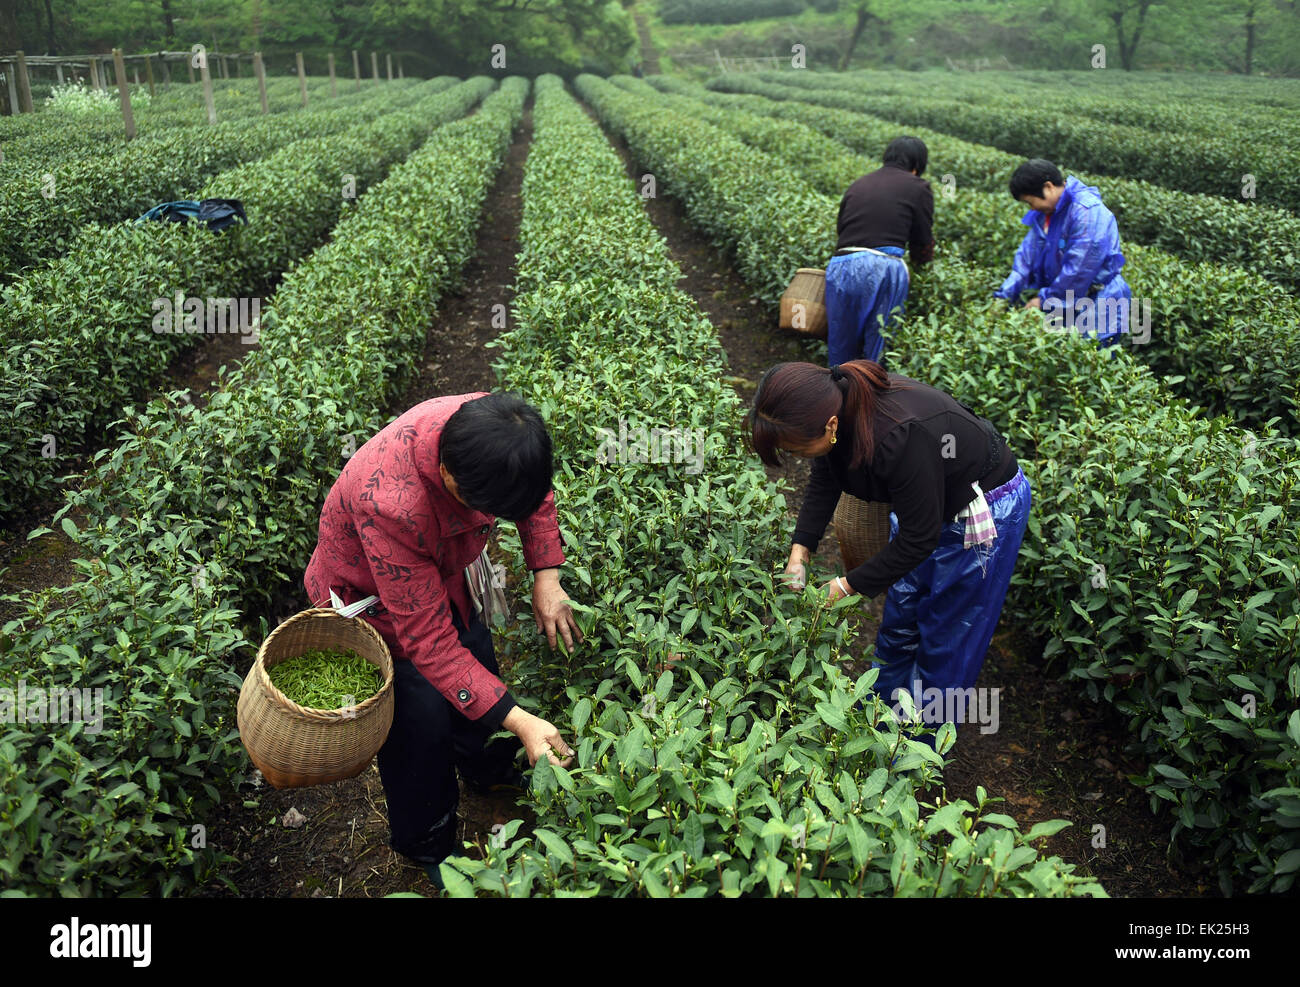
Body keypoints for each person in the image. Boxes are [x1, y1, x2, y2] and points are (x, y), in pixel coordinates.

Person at [304, 391, 583, 883]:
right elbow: (428, 643)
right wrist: (522, 720)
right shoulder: (392, 504)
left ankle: (489, 772)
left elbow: (532, 490)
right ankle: (429, 844)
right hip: (378, 600)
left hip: (445, 571)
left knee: (475, 655)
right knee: (420, 720)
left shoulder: (498, 426)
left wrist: (547, 574)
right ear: (452, 480)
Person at [747, 361, 1031, 740]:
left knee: (947, 635)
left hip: (980, 512)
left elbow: (919, 540)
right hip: (922, 507)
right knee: (901, 620)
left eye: (797, 449)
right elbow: (825, 478)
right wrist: (800, 552)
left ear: (829, 425)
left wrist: (845, 586)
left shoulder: (901, 434)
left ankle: (917, 751)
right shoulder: (838, 410)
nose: (797, 457)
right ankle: (879, 724)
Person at [994, 158, 1132, 346]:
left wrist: (1044, 301)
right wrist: (1004, 297)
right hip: (1067, 301)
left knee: (1094, 360)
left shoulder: (1086, 212)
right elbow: (1025, 260)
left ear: (1048, 187)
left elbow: (1079, 270)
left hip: (1100, 302)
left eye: (1030, 202)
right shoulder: (1045, 216)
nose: (1031, 208)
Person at [827, 136, 934, 368]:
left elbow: (841, 227)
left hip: (840, 264)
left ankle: (837, 395)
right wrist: (923, 265)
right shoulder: (918, 187)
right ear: (917, 165)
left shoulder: (860, 183)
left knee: (841, 344)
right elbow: (923, 239)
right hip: (881, 267)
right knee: (878, 346)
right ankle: (868, 399)